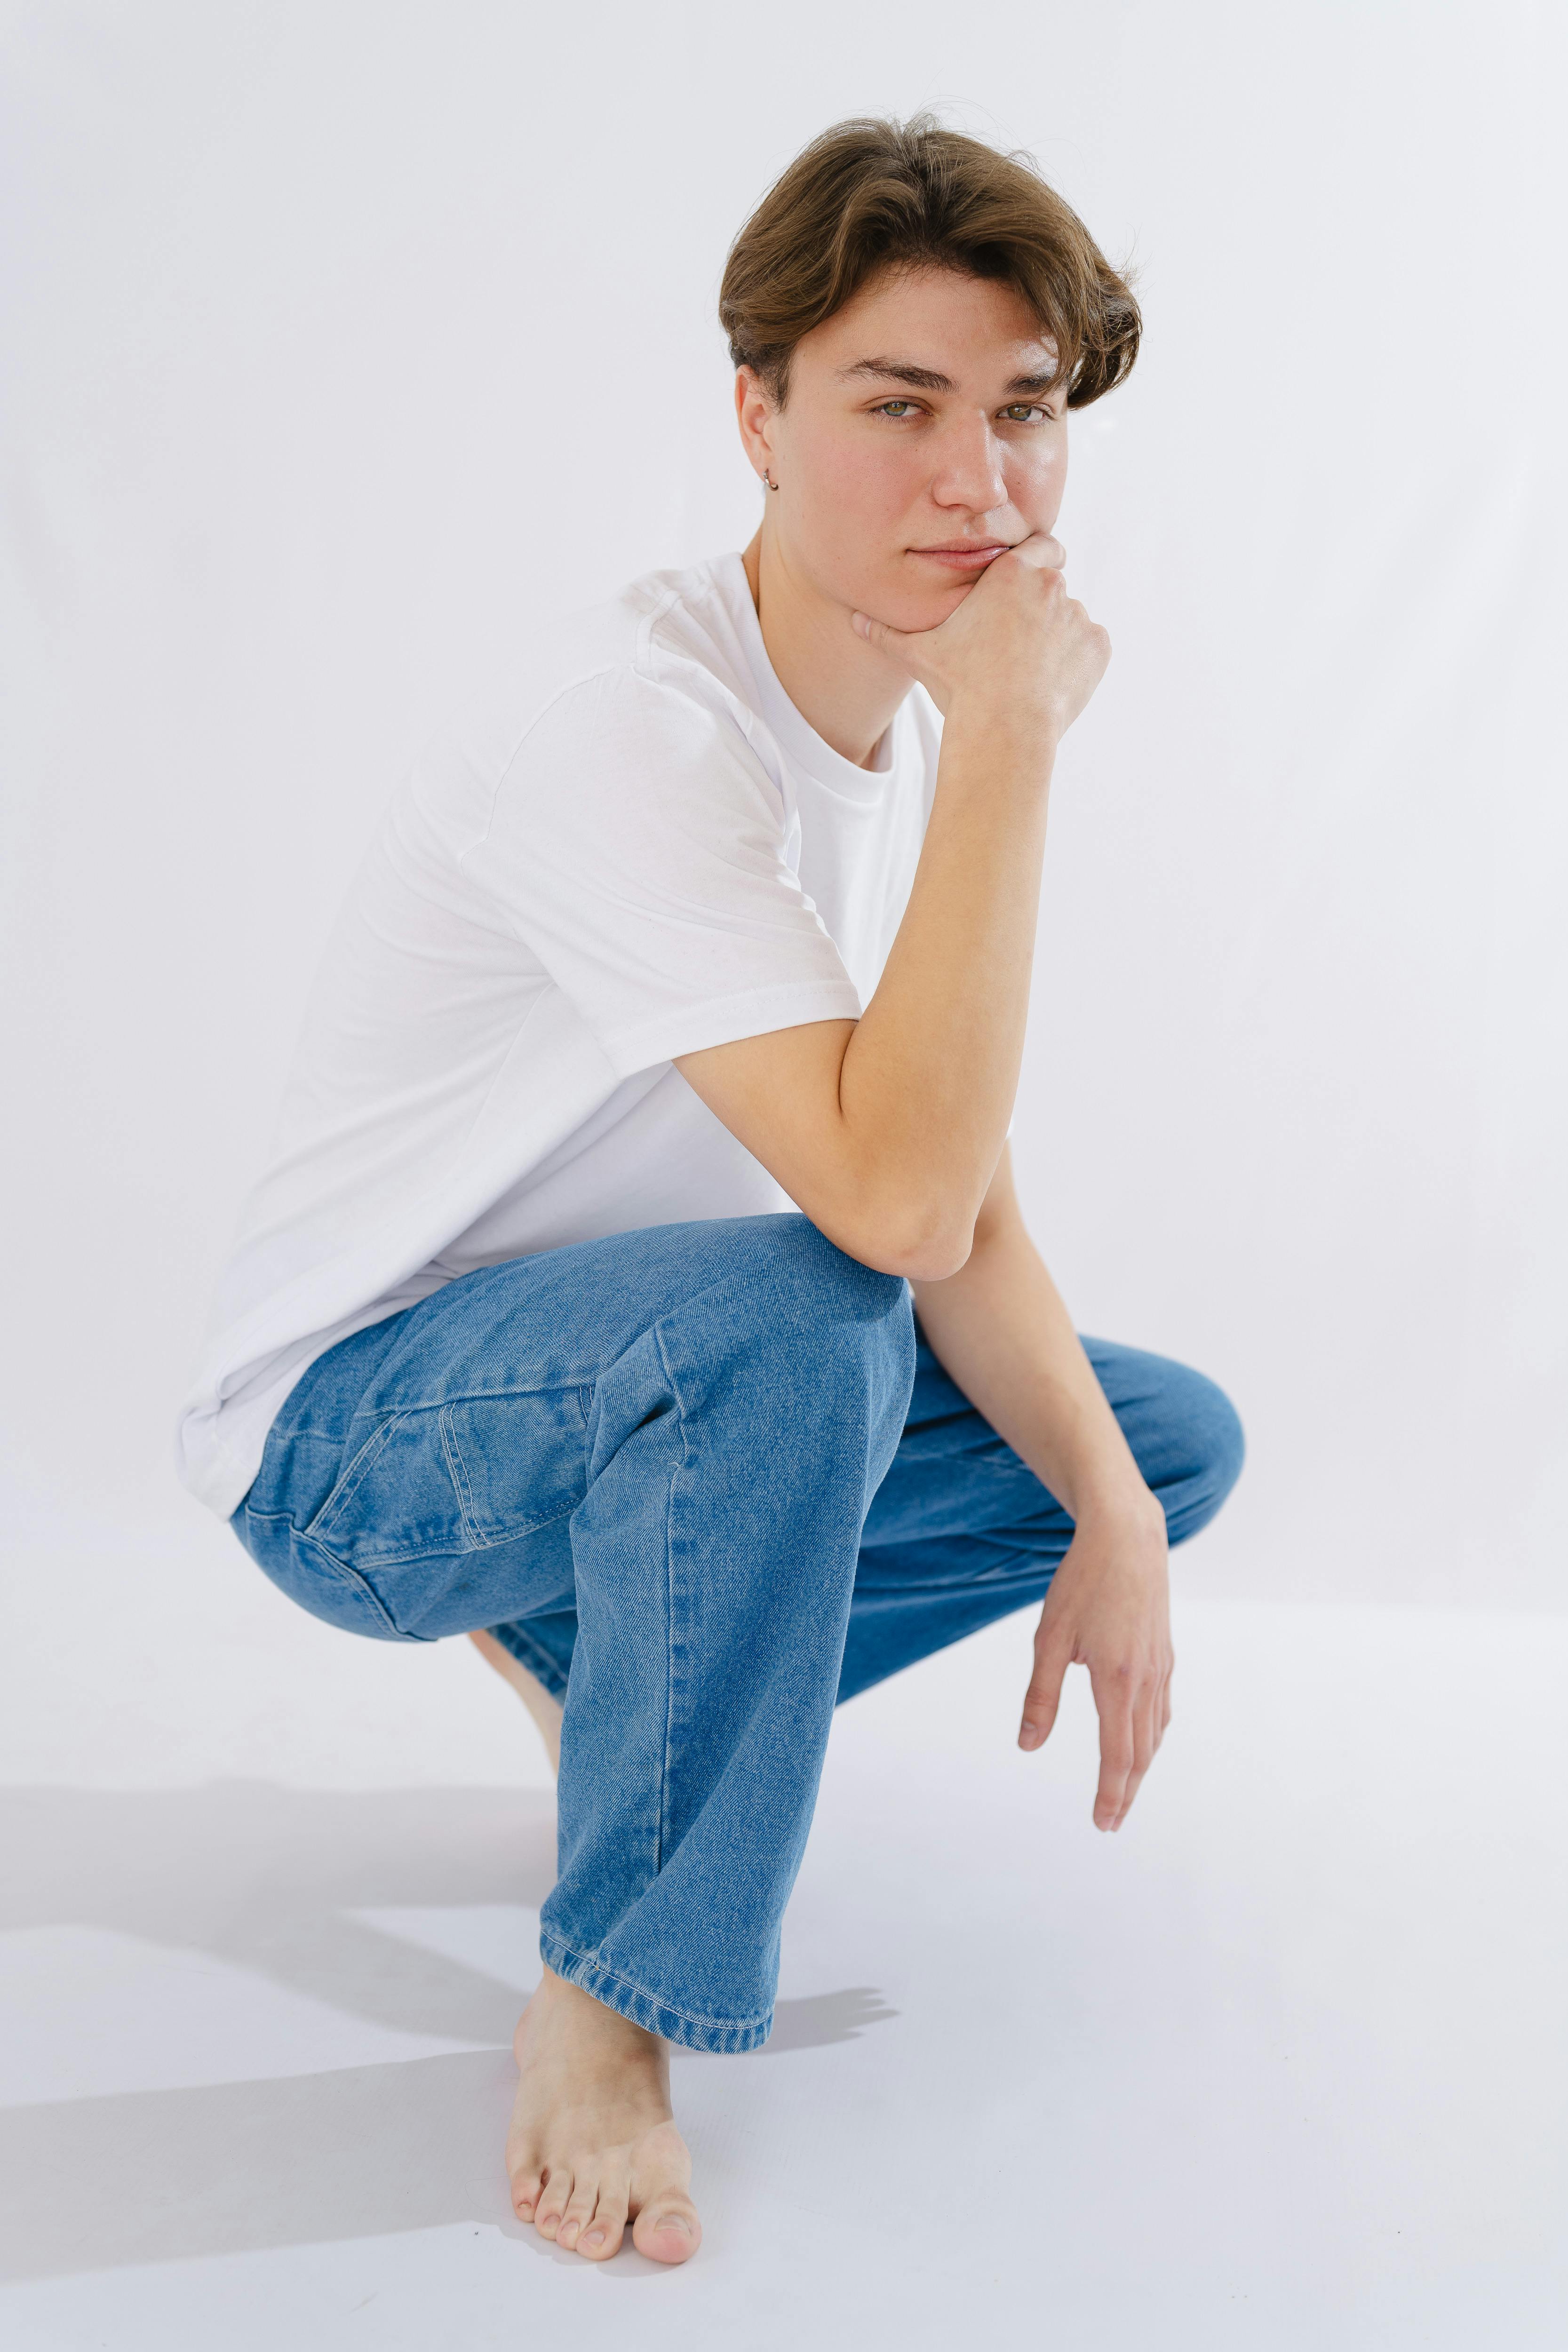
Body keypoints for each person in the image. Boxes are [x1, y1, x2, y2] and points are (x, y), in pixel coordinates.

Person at [177, 115, 1244, 2267]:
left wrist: (1114, 1516)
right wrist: (1025, 748)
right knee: (816, 1301)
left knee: (1150, 1440)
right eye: (898, 406)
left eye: (1026, 415)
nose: (983, 484)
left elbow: (964, 1189)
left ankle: (610, 1662)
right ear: (754, 415)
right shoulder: (641, 728)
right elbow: (885, 1201)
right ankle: (614, 1993)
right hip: (361, 1434)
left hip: (633, 1383)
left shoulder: (892, 719)